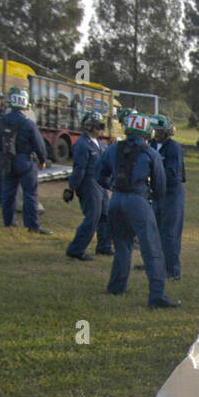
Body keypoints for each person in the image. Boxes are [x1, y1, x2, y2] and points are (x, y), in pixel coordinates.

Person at [96, 113, 176, 308]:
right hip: (138, 201)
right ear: (147, 131)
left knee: (122, 246)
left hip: (116, 200)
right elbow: (160, 186)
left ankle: (116, 286)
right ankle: (157, 295)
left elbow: (99, 174)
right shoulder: (150, 153)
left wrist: (113, 187)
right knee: (152, 249)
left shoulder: (113, 148)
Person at [0, 87, 51, 234]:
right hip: (25, 160)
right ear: (25, 103)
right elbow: (39, 144)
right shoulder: (28, 123)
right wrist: (42, 159)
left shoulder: (2, 121)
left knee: (8, 192)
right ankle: (33, 225)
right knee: (30, 193)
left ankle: (9, 221)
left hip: (8, 160)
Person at [64, 111, 113, 260]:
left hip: (100, 184)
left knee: (106, 215)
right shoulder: (82, 145)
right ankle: (76, 249)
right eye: (98, 126)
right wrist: (71, 188)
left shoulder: (101, 144)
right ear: (89, 126)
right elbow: (79, 169)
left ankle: (104, 246)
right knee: (93, 217)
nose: (101, 129)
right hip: (89, 184)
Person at [150, 115, 186, 281]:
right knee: (154, 231)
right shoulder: (150, 145)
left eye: (160, 131)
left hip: (171, 194)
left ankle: (172, 271)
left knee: (169, 234)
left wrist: (153, 176)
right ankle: (154, 265)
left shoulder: (173, 148)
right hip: (155, 193)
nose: (157, 134)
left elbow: (173, 174)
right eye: (155, 130)